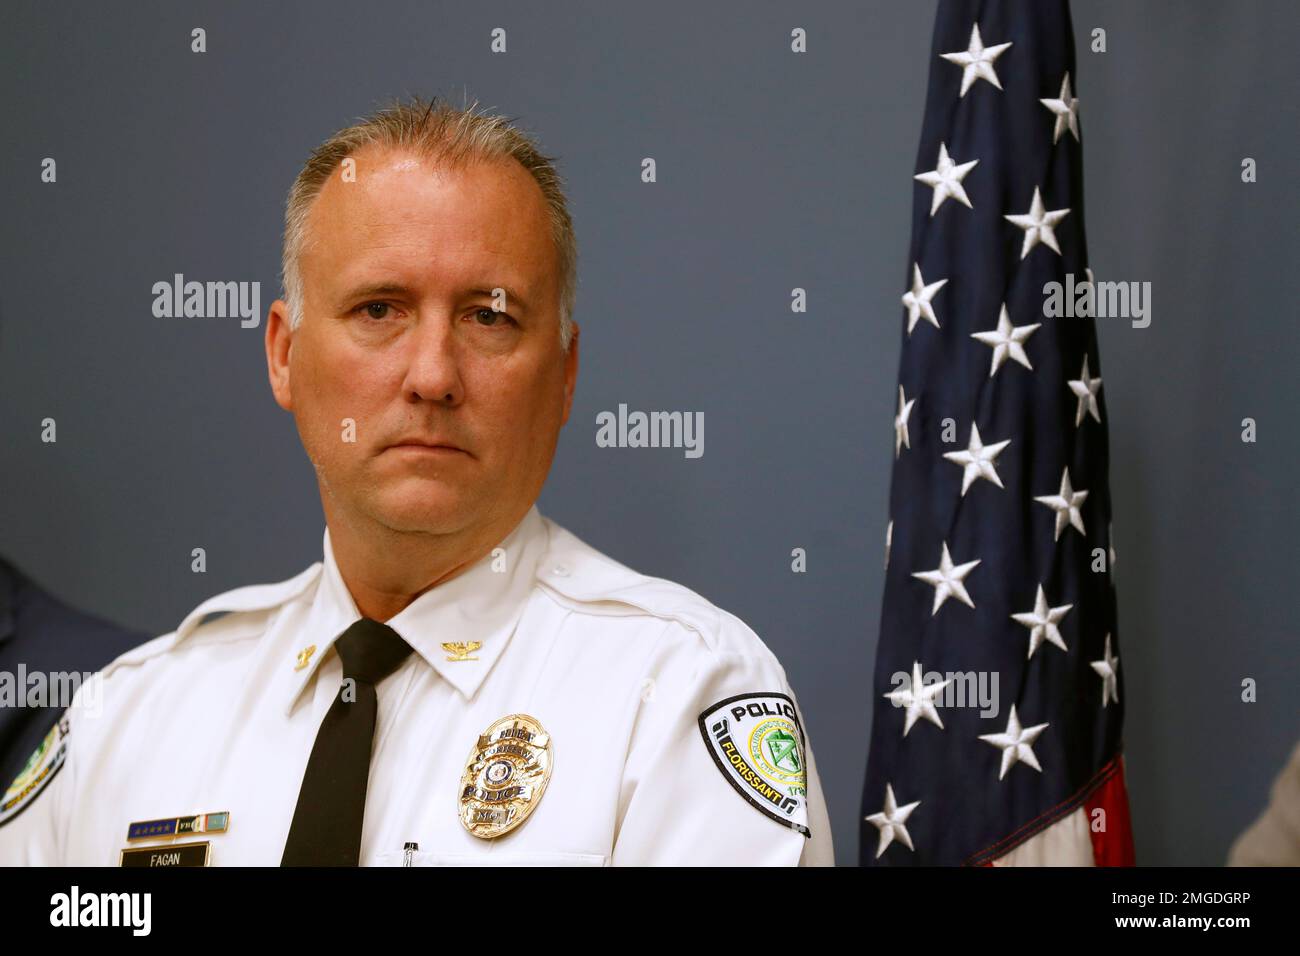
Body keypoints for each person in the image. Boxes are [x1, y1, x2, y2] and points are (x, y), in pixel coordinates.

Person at [0, 97, 833, 866]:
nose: (433, 375)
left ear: (567, 374)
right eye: (379, 309)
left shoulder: (679, 703)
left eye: (489, 316)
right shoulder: (128, 722)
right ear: (284, 355)